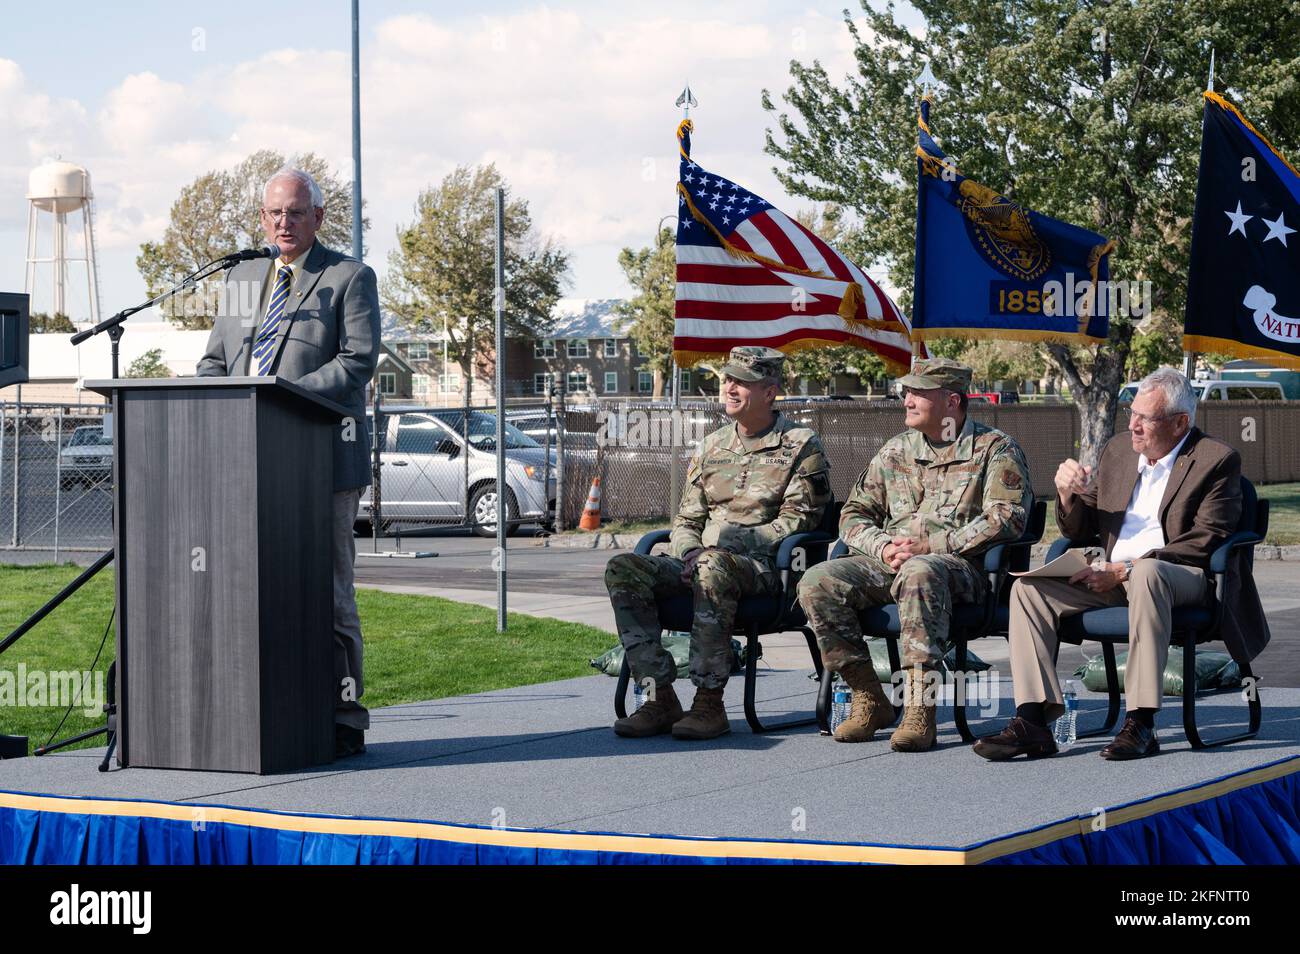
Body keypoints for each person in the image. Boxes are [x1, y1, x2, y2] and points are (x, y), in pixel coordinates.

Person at [975, 367, 1271, 761]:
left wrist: (1126, 568)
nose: (1132, 426)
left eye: (1144, 419)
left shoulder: (1216, 460)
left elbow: (1207, 539)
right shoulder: (1118, 451)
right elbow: (1081, 528)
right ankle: (1032, 721)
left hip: (1181, 574)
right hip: (1111, 574)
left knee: (1146, 573)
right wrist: (1067, 497)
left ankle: (1141, 723)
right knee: (1029, 590)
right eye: (1130, 413)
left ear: (1180, 422)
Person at [196, 167, 380, 758]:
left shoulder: (348, 277)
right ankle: (253, 705)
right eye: (275, 213)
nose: (284, 222)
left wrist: (284, 397)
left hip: (320, 461)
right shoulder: (246, 278)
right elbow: (214, 362)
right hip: (242, 462)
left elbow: (357, 361)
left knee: (329, 589)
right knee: (240, 584)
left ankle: (343, 713)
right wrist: (210, 405)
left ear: (318, 218)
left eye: (296, 213)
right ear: (262, 217)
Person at [797, 359, 1031, 752]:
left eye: (917, 392)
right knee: (817, 580)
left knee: (921, 570)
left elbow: (1007, 518)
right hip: (891, 563)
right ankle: (869, 697)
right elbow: (853, 513)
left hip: (961, 570)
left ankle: (920, 708)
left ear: (952, 401)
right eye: (906, 391)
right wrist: (883, 547)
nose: (906, 398)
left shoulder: (994, 448)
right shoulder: (895, 451)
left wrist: (933, 547)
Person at [604, 346, 831, 740]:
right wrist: (690, 551)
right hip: (704, 562)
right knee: (625, 568)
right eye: (727, 379)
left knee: (714, 566)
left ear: (769, 391)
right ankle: (659, 698)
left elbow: (799, 522)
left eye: (741, 381)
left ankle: (709, 703)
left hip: (768, 570)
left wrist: (719, 552)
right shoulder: (711, 446)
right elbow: (687, 519)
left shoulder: (800, 444)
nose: (729, 386)